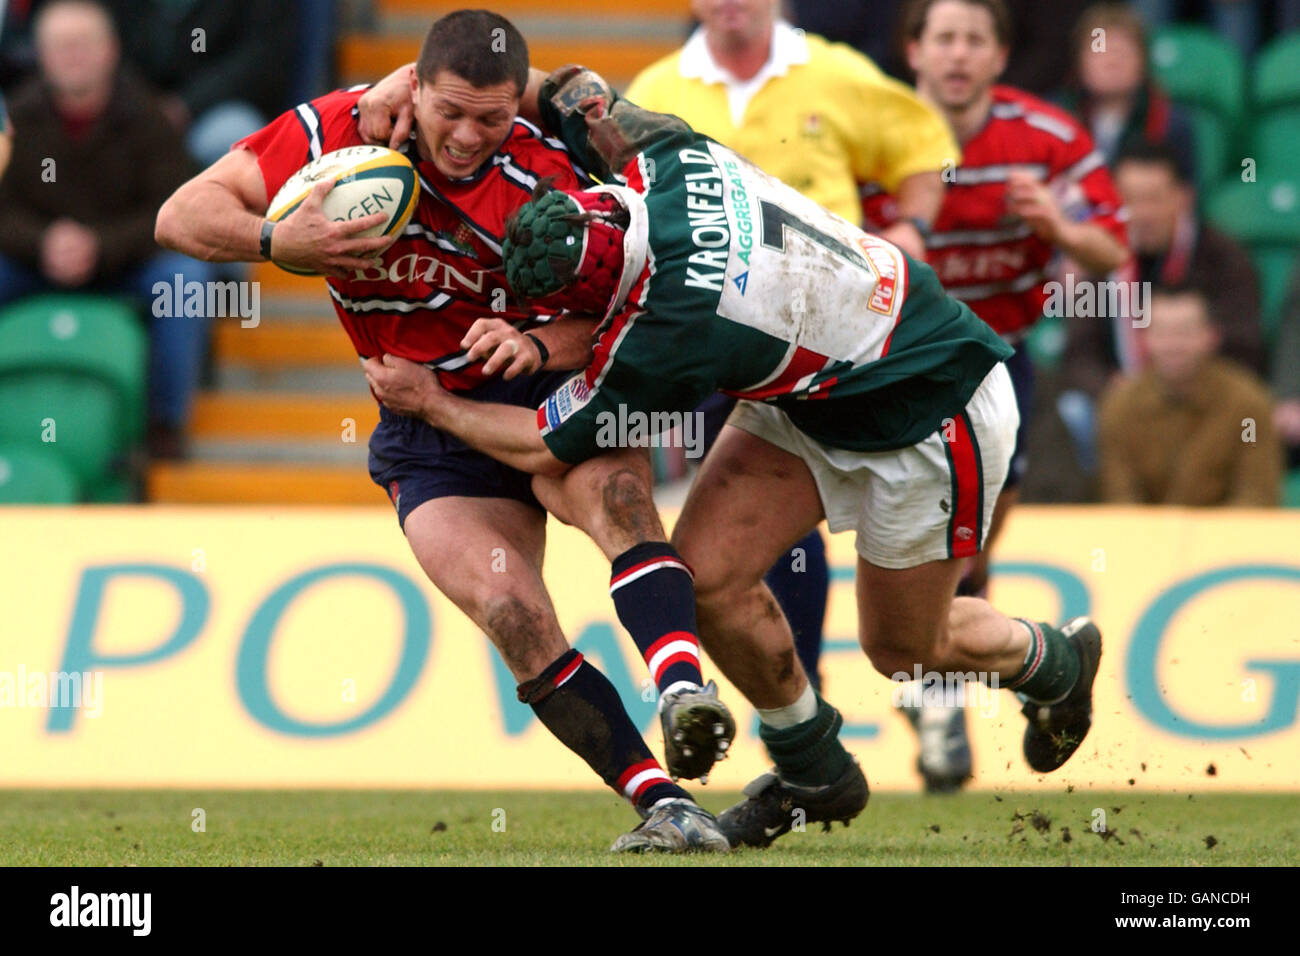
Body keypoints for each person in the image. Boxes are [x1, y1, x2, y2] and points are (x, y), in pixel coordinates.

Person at [366, 65, 1102, 849]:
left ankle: (1053, 662)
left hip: (933, 402)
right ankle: (812, 766)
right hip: (821, 385)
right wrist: (410, 82)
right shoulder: (656, 154)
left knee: (903, 650)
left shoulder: (666, 331)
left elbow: (548, 443)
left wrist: (434, 406)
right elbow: (559, 87)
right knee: (706, 578)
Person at [156, 10, 733, 854]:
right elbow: (181, 215)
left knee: (618, 500)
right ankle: (665, 805)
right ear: (412, 87)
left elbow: (630, 307)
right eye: (449, 112)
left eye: (489, 119)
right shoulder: (337, 134)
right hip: (423, 421)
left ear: (517, 105)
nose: (466, 137)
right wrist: (278, 237)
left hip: (546, 388)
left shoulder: (551, 167)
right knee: (510, 611)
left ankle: (683, 693)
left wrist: (538, 343)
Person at [624, 0, 959, 690]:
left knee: (792, 534)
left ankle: (813, 693)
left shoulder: (834, 72)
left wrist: (915, 226)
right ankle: (799, 693)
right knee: (748, 538)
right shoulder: (656, 90)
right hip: (711, 349)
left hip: (830, 342)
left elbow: (926, 150)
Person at [873, 0, 1128, 792]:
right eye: (944, 38)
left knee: (974, 542)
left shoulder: (1047, 137)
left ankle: (940, 689)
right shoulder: (871, 129)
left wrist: (1060, 226)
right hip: (891, 362)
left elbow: (1112, 248)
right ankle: (911, 697)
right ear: (914, 49)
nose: (958, 54)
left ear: (1000, 55)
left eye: (974, 40)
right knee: (897, 534)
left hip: (997, 362)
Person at [0, 0, 214, 460]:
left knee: (185, 280)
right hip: (34, 262)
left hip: (126, 264)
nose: (72, 56)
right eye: (61, 46)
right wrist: (43, 243)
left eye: (83, 44)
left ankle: (163, 427)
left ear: (111, 50)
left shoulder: (150, 117)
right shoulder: (15, 119)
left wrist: (100, 246)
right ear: (41, 54)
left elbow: (174, 208)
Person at [1059, 140, 1264, 470]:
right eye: (1129, 199)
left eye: (1153, 199)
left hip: (1201, 402)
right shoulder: (1098, 259)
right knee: (1074, 410)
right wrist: (1112, 390)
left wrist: (1173, 383)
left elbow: (1244, 346)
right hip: (1120, 405)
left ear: (1184, 198)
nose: (1142, 214)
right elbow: (1078, 353)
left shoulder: (1225, 259)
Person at [1097, 285, 1282, 505]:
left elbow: (1256, 495)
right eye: (1162, 332)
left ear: (1211, 336)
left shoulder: (1248, 410)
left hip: (1225, 526)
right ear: (1145, 338)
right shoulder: (1120, 408)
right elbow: (1119, 498)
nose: (1174, 345)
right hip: (1143, 528)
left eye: (1185, 332)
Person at [101, 0, 296, 167]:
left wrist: (186, 105)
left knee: (234, 138)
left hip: (216, 109)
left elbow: (260, 58)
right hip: (133, 105)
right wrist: (145, 106)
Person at [1053, 3, 1196, 182]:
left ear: (1143, 63)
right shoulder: (1053, 117)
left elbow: (1185, 193)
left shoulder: (1171, 123)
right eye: (1100, 52)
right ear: (1079, 61)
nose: (1112, 62)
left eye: (1123, 53)